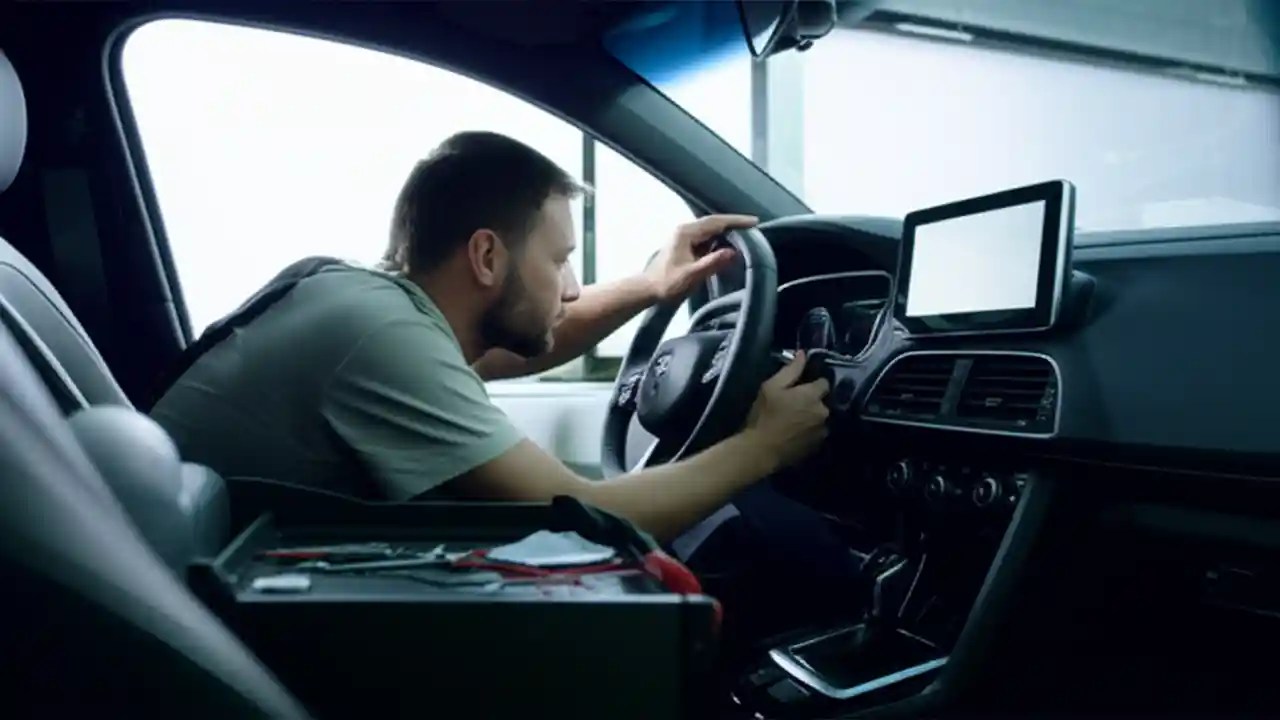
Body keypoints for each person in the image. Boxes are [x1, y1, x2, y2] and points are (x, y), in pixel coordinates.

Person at [150, 131, 831, 544]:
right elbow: (593, 516)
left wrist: (653, 286)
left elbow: (524, 338)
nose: (569, 287)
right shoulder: (382, 337)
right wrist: (764, 445)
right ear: (485, 257)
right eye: (559, 259)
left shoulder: (361, 298)